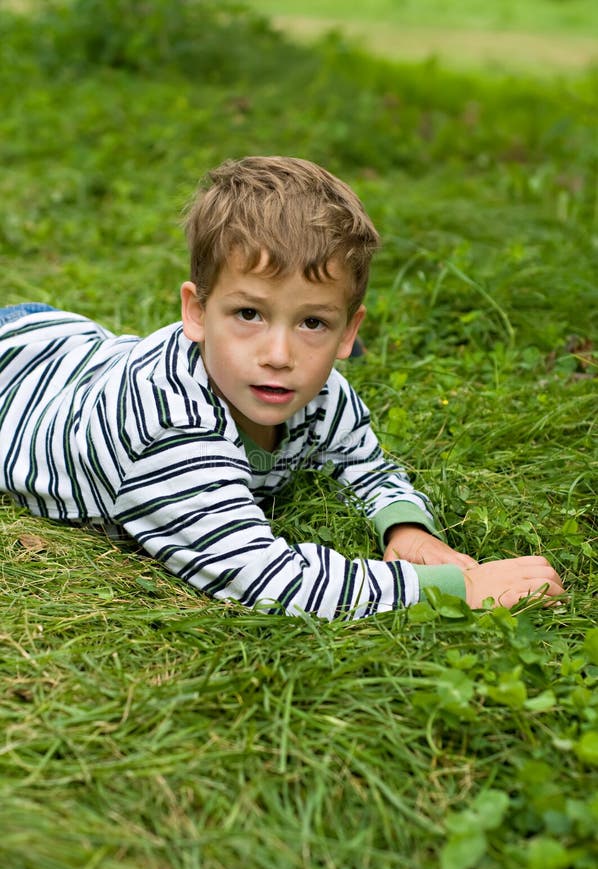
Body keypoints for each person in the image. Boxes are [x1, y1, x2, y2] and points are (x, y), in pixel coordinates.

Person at [0, 156, 563, 619]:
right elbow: (261, 577)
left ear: (349, 332)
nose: (278, 355)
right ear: (195, 312)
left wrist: (406, 527)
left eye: (312, 323)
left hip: (78, 354)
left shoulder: (322, 394)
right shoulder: (167, 427)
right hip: (21, 368)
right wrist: (451, 588)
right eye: (248, 313)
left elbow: (363, 465)